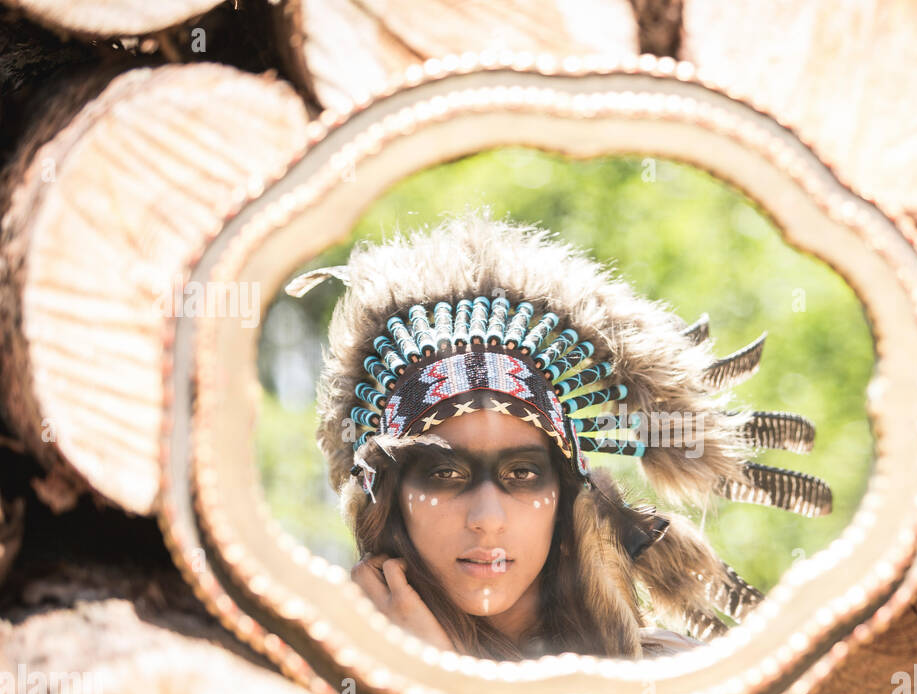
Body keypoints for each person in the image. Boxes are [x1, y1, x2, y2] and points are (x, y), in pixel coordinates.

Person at [296, 211, 831, 660]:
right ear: (389, 500)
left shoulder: (675, 679)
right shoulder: (322, 686)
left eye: (522, 473)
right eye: (444, 474)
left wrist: (439, 678)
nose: (488, 518)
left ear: (566, 495)